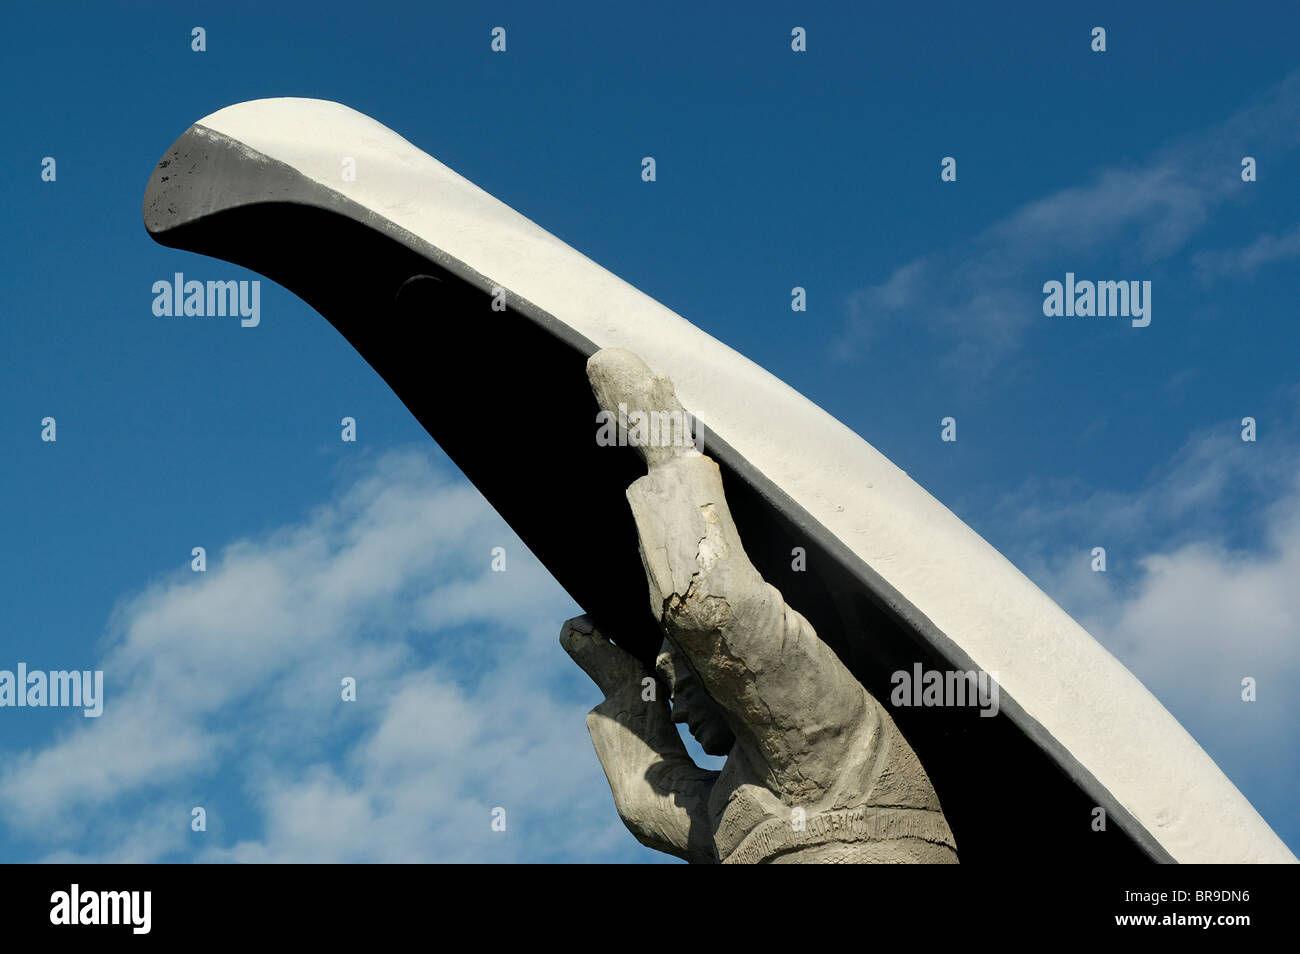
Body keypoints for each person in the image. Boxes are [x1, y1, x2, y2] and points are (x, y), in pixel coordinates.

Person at [561, 349, 958, 864]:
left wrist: (666, 453)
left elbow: (714, 614)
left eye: (681, 683)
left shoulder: (823, 724)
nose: (677, 710)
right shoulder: (736, 799)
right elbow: (646, 808)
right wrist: (620, 686)